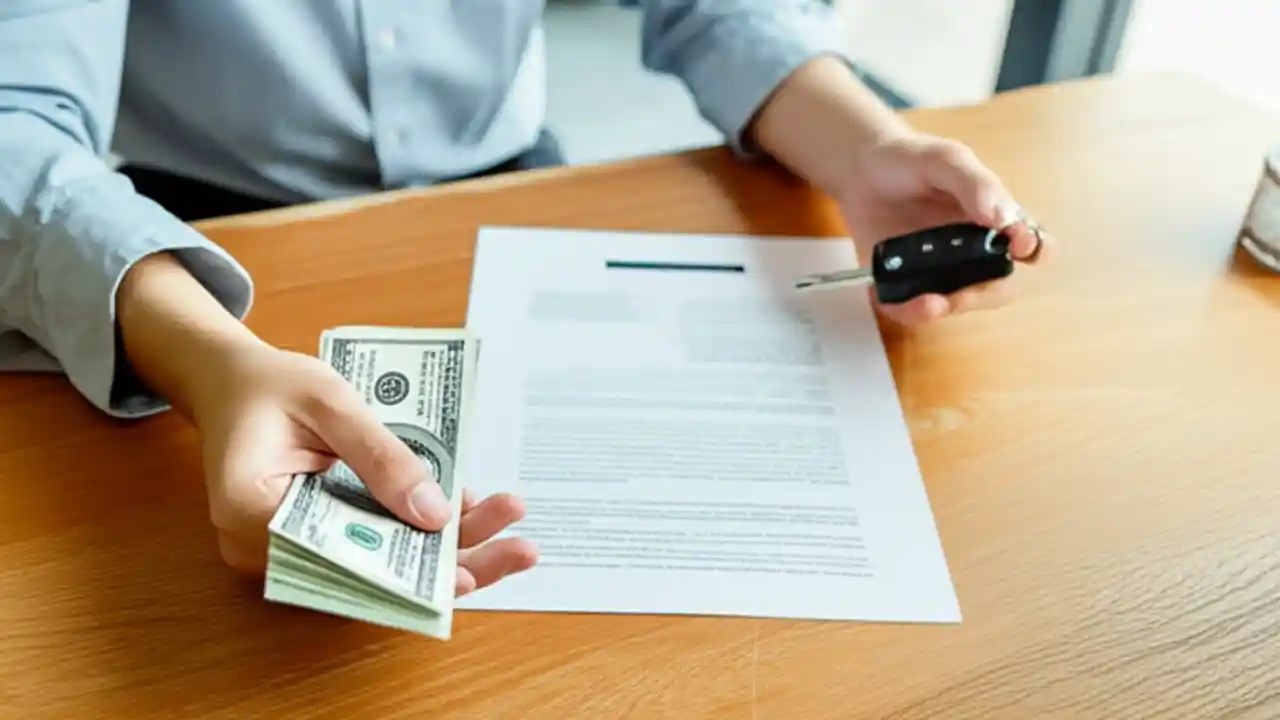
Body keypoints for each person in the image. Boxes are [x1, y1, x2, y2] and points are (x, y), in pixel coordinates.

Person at [0, 2, 1052, 596]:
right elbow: (15, 122)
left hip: (517, 179)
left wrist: (862, 148)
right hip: (193, 239)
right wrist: (208, 357)